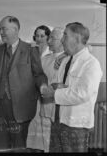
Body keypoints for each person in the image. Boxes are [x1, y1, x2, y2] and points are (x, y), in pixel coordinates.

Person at [0, 16, 48, 152]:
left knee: (18, 146)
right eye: (0, 28)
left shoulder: (30, 50)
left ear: (15, 29)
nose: (0, 32)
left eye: (3, 29)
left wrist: (42, 85)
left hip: (21, 107)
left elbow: (38, 74)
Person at [42, 22, 103, 152]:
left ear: (77, 38)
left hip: (76, 125)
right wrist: (56, 87)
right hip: (57, 121)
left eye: (65, 35)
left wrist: (54, 93)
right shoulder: (65, 60)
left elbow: (83, 93)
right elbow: (61, 85)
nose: (62, 40)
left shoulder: (91, 64)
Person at [27, 25, 51, 152]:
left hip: (46, 95)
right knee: (33, 127)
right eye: (37, 35)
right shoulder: (32, 52)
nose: (39, 38)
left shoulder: (52, 54)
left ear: (48, 37)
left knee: (45, 128)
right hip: (31, 96)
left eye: (42, 36)